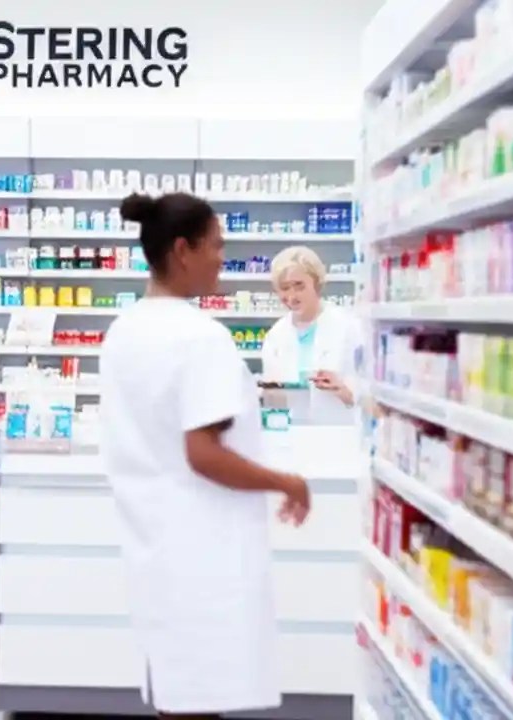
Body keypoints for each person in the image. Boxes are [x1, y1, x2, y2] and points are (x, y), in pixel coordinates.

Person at [100, 192, 312, 720]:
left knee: (178, 695)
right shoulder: (200, 337)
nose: (223, 256)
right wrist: (286, 482)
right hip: (202, 550)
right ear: (182, 250)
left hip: (154, 542)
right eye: (216, 245)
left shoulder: (124, 330)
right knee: (198, 700)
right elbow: (203, 453)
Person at [261, 246, 364, 419]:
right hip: (290, 435)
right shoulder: (276, 335)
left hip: (340, 433)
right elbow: (272, 399)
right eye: (284, 288)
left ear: (317, 283)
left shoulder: (348, 327)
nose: (292, 296)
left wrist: (343, 389)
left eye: (299, 286)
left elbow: (371, 396)